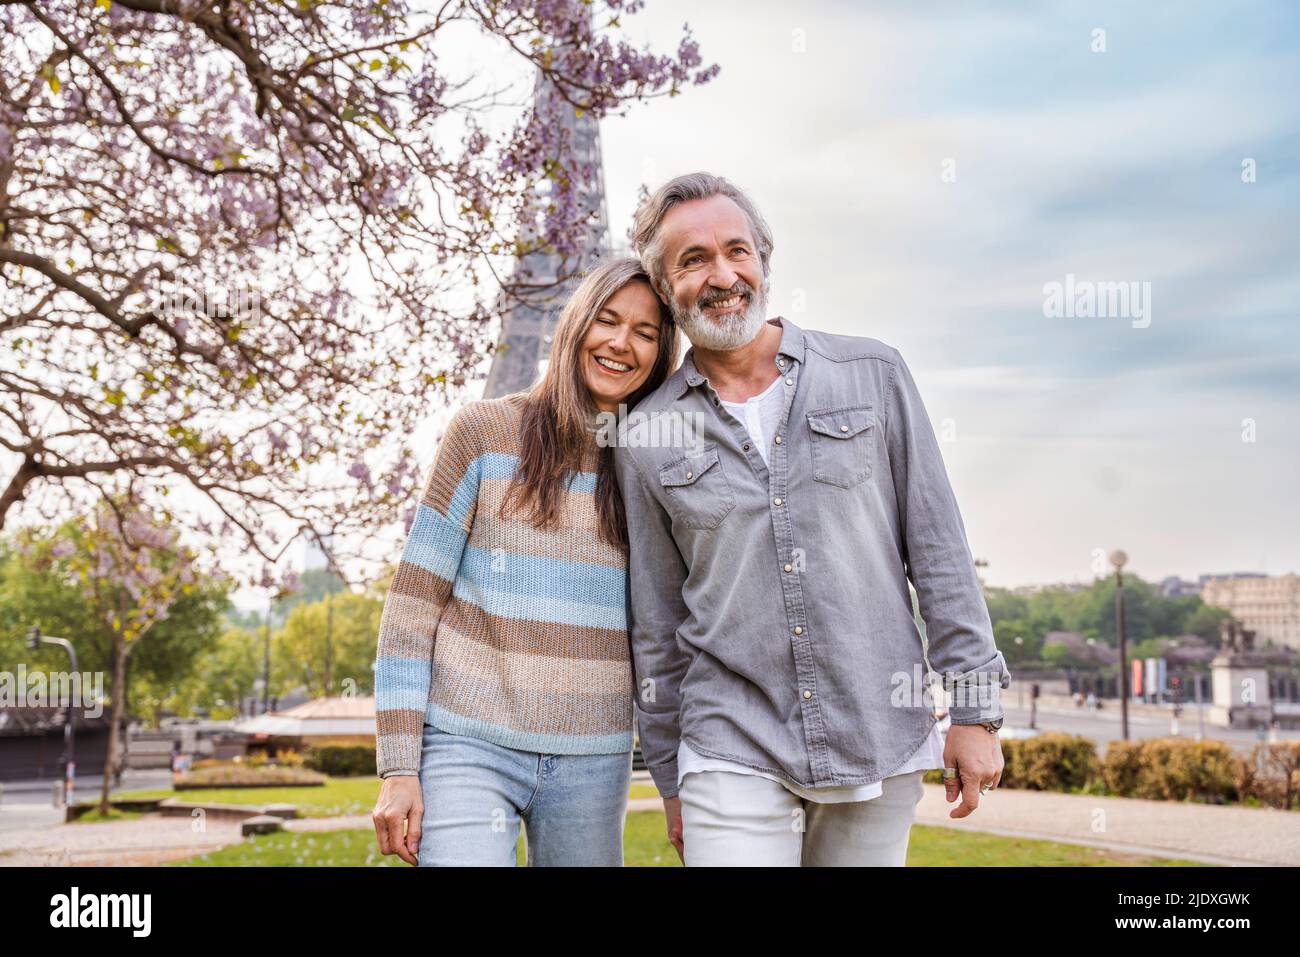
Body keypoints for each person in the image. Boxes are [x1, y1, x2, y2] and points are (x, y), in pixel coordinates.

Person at [615, 172, 1011, 866]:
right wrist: (671, 775)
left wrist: (975, 711)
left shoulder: (873, 374)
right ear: (664, 285)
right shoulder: (646, 435)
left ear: (764, 259)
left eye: (736, 250)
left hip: (875, 727)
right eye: (693, 260)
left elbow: (940, 550)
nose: (722, 274)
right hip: (728, 737)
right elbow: (658, 626)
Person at [371, 257, 679, 866]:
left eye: (646, 333)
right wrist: (399, 765)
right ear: (575, 326)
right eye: (607, 321)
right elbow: (412, 608)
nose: (621, 343)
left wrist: (674, 778)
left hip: (596, 756)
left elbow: (665, 632)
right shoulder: (482, 434)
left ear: (661, 353)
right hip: (467, 743)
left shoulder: (654, 467)